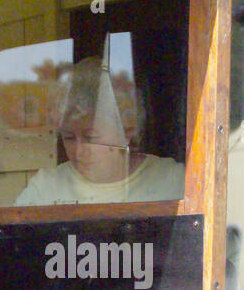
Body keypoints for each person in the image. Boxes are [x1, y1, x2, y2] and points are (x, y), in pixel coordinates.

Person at [14, 57, 184, 206]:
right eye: (69, 137)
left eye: (91, 137)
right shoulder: (45, 188)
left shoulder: (171, 181)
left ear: (127, 131)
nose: (79, 151)